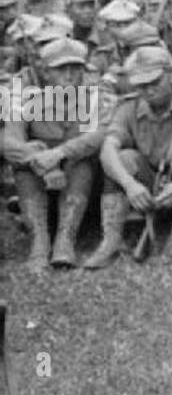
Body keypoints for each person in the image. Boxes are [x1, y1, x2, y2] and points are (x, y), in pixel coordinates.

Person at [84, 43, 172, 267]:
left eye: (155, 82)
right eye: (142, 85)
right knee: (122, 159)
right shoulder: (129, 105)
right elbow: (108, 148)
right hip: (147, 188)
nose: (149, 90)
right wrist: (129, 185)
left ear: (171, 74)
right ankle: (111, 241)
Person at [5, 37, 106, 269]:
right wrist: (36, 159)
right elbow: (9, 140)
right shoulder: (24, 96)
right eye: (61, 69)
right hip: (40, 179)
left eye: (76, 68)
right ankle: (39, 242)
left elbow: (98, 135)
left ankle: (65, 241)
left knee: (81, 160)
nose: (69, 75)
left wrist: (59, 154)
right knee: (22, 165)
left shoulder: (93, 94)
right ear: (46, 72)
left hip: (84, 186)